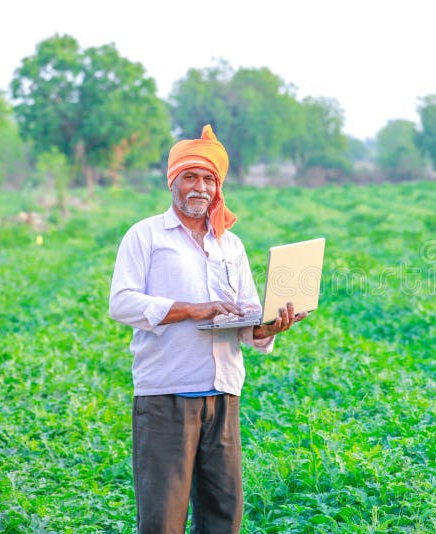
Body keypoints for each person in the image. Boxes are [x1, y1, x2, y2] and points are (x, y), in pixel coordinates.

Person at [109, 124, 306, 533]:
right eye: (191, 177)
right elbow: (121, 303)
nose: (200, 187)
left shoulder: (229, 244)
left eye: (209, 180)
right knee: (163, 518)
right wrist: (190, 310)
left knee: (223, 514)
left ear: (218, 188)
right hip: (166, 395)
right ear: (173, 183)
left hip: (223, 394)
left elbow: (247, 318)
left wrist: (269, 325)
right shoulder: (146, 236)